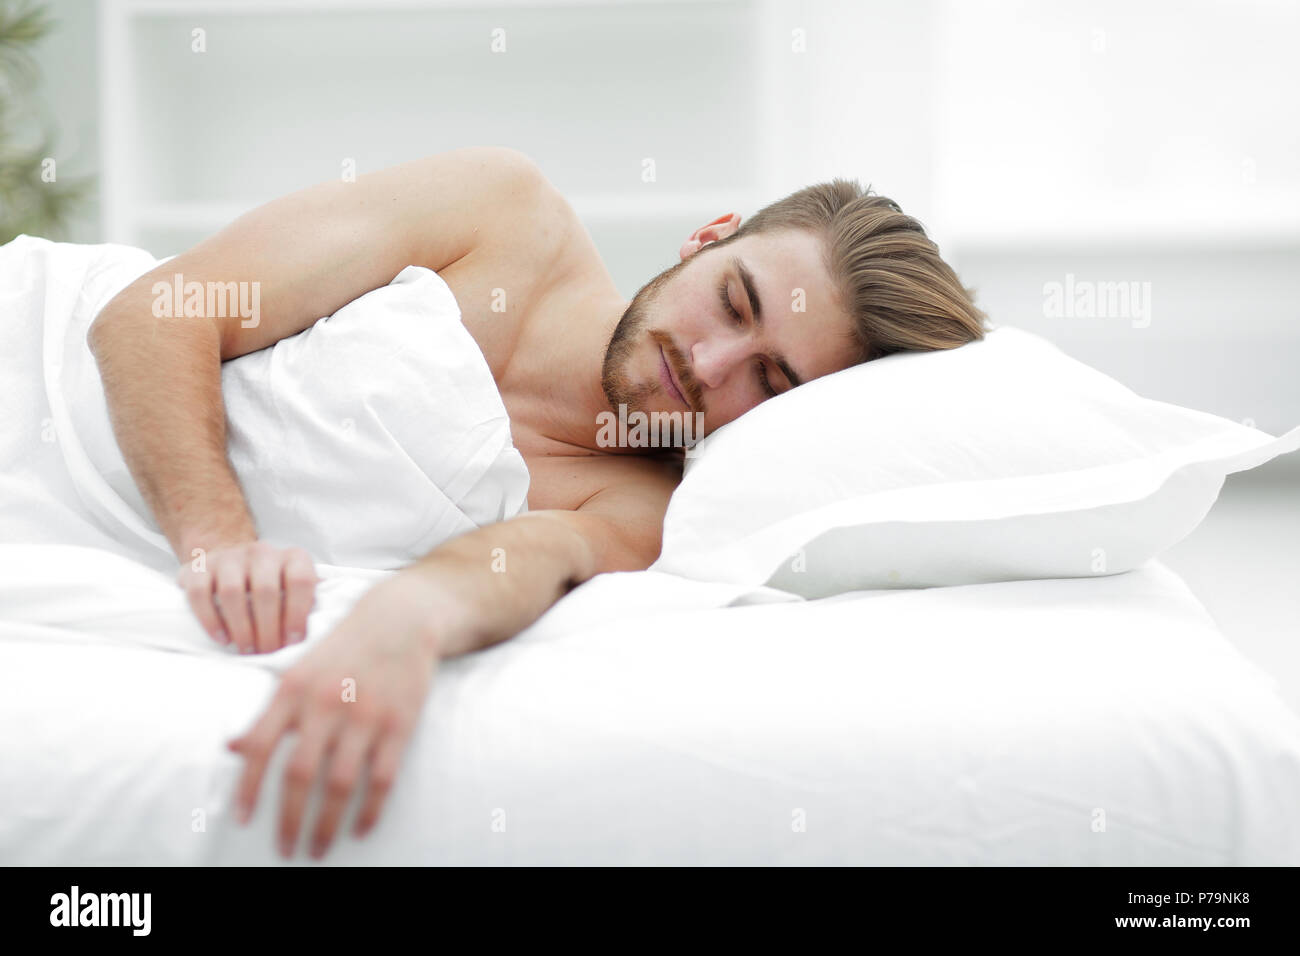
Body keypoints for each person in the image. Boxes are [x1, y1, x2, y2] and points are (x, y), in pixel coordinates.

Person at [87, 145, 987, 859]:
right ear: (708, 239)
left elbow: (516, 562)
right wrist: (217, 539)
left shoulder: (640, 511)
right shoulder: (506, 213)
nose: (708, 367)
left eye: (771, 378)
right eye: (734, 303)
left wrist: (407, 618)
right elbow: (158, 311)